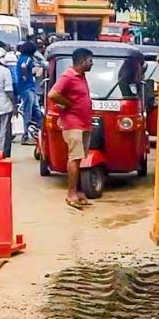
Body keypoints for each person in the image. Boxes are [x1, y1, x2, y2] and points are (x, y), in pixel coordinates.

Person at [48, 47, 94, 209]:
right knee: (74, 158)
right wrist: (68, 104)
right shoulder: (68, 76)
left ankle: (78, 191)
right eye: (90, 60)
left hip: (83, 123)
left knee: (80, 158)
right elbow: (52, 94)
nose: (92, 64)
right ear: (82, 61)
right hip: (73, 124)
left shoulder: (81, 76)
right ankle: (71, 194)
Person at [16, 40, 44, 144]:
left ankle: (40, 131)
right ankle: (26, 134)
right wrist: (26, 75)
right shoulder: (27, 59)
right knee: (28, 110)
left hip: (28, 87)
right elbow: (24, 67)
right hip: (27, 87)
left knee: (36, 110)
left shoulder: (21, 58)